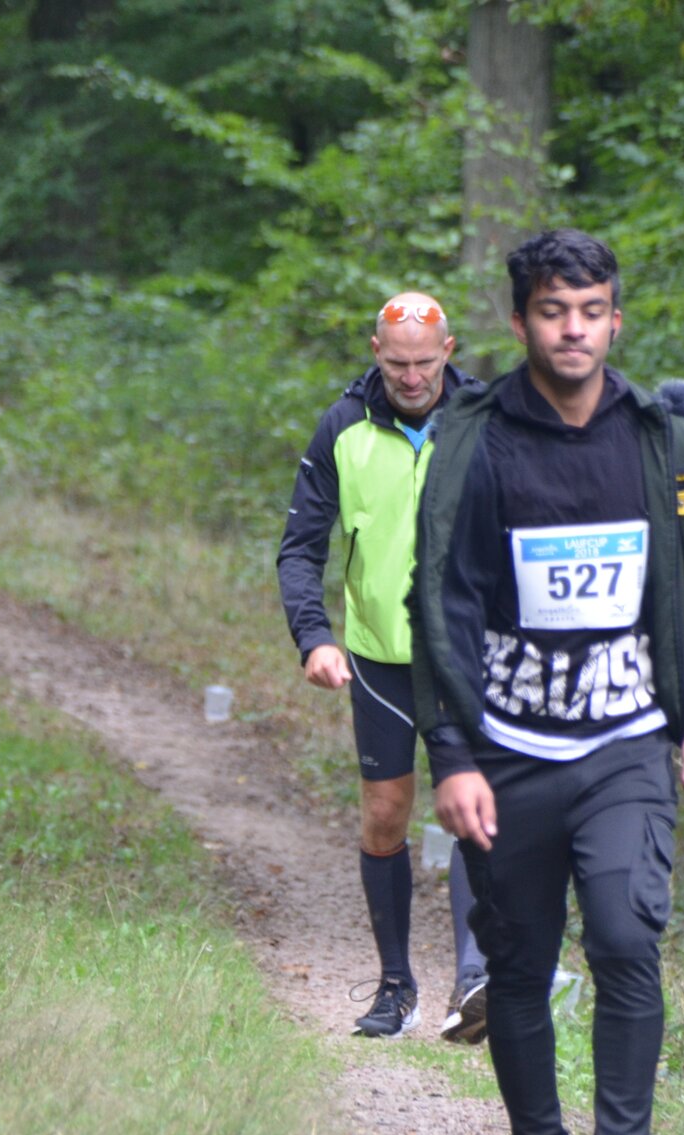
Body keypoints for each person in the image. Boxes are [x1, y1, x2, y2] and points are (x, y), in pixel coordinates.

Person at [410, 229, 684, 1135]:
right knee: (516, 969)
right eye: (553, 311)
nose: (574, 329)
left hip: (625, 746)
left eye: (592, 310)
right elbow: (435, 601)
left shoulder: (664, 441)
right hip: (506, 754)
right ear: (519, 322)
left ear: (614, 317)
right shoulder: (473, 442)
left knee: (621, 938)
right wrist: (452, 755)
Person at [277, 292, 489, 1043]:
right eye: (395, 362)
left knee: (476, 812)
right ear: (375, 350)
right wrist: (315, 638)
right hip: (378, 657)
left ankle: (477, 978)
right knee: (385, 815)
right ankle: (396, 985)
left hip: (469, 657)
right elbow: (300, 548)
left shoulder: (487, 422)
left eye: (424, 362)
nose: (409, 376)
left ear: (449, 350)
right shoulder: (343, 426)